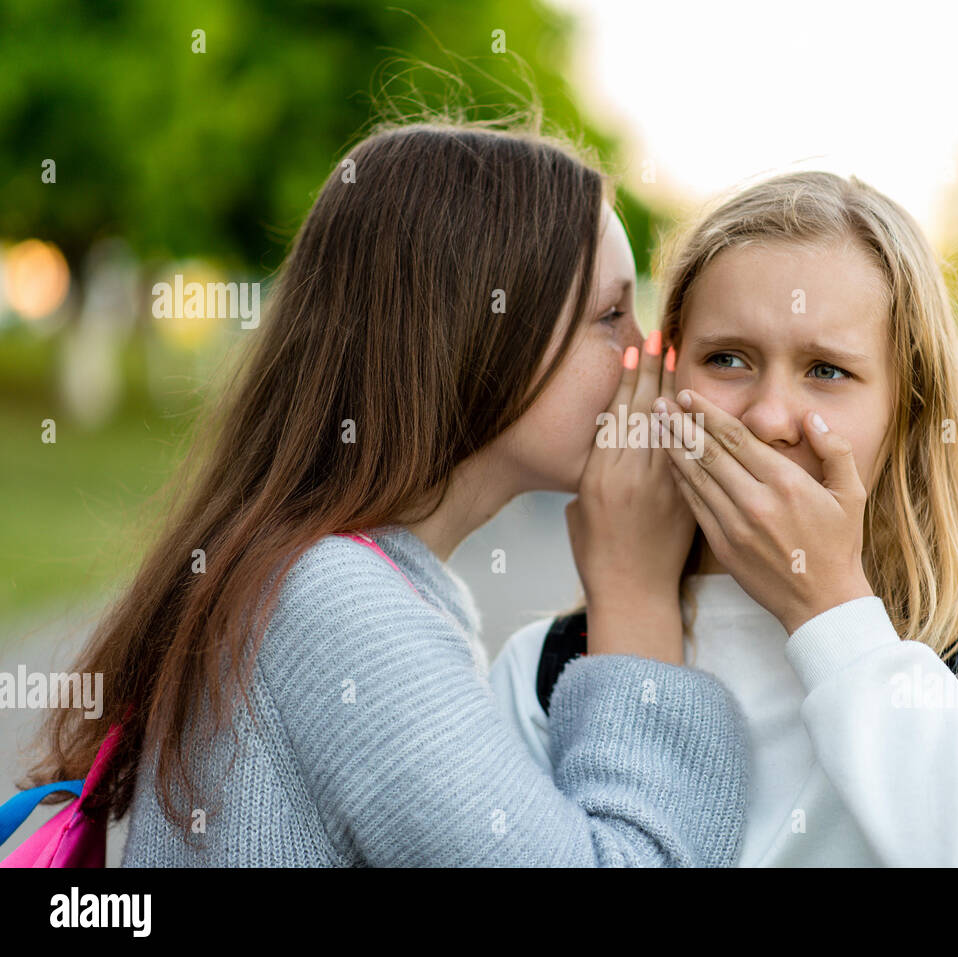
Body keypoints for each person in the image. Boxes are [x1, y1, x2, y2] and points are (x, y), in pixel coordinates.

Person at [19, 120, 749, 867]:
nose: (646, 355)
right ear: (475, 330)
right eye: (611, 315)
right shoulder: (337, 605)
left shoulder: (326, 577)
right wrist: (634, 589)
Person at [491, 171, 958, 866]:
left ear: (908, 410)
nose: (769, 418)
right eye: (727, 359)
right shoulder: (546, 669)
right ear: (664, 379)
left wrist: (828, 607)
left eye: (827, 370)